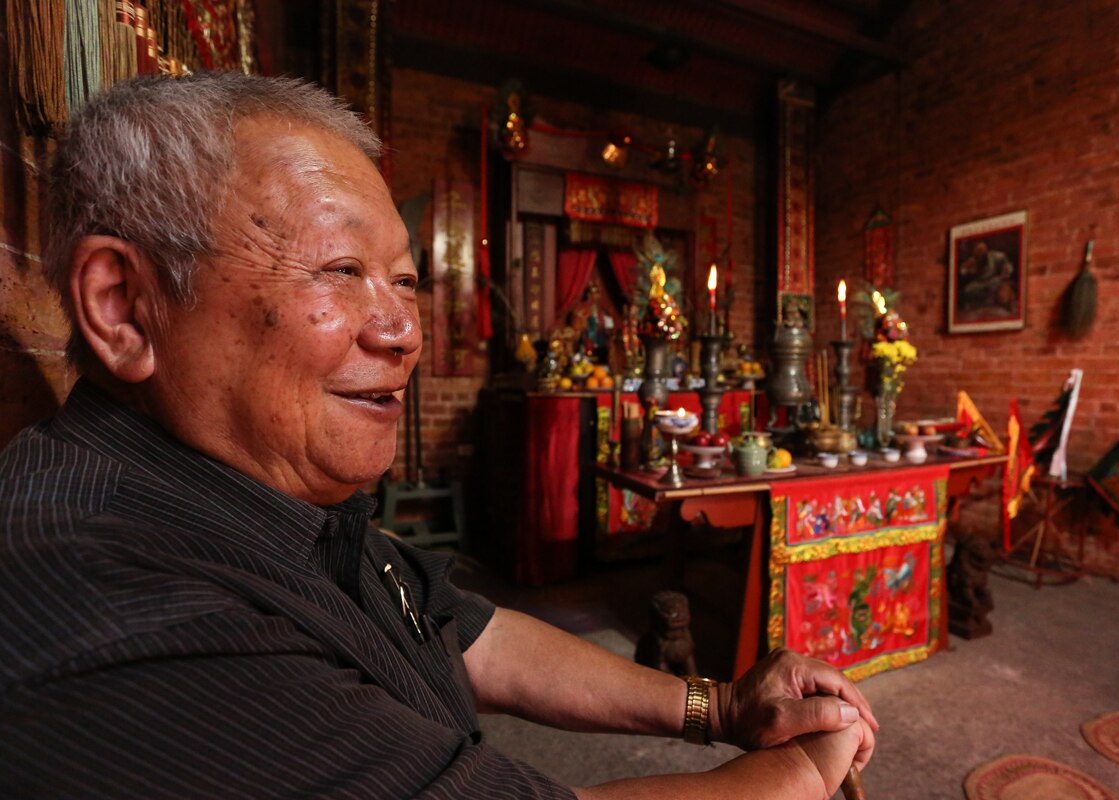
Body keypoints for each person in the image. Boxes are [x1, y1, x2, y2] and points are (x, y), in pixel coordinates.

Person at [0, 73, 875, 798]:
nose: (404, 331)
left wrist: (719, 707)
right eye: (342, 271)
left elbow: (461, 628)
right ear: (124, 307)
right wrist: (799, 770)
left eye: (407, 279)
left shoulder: (256, 487)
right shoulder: (110, 603)